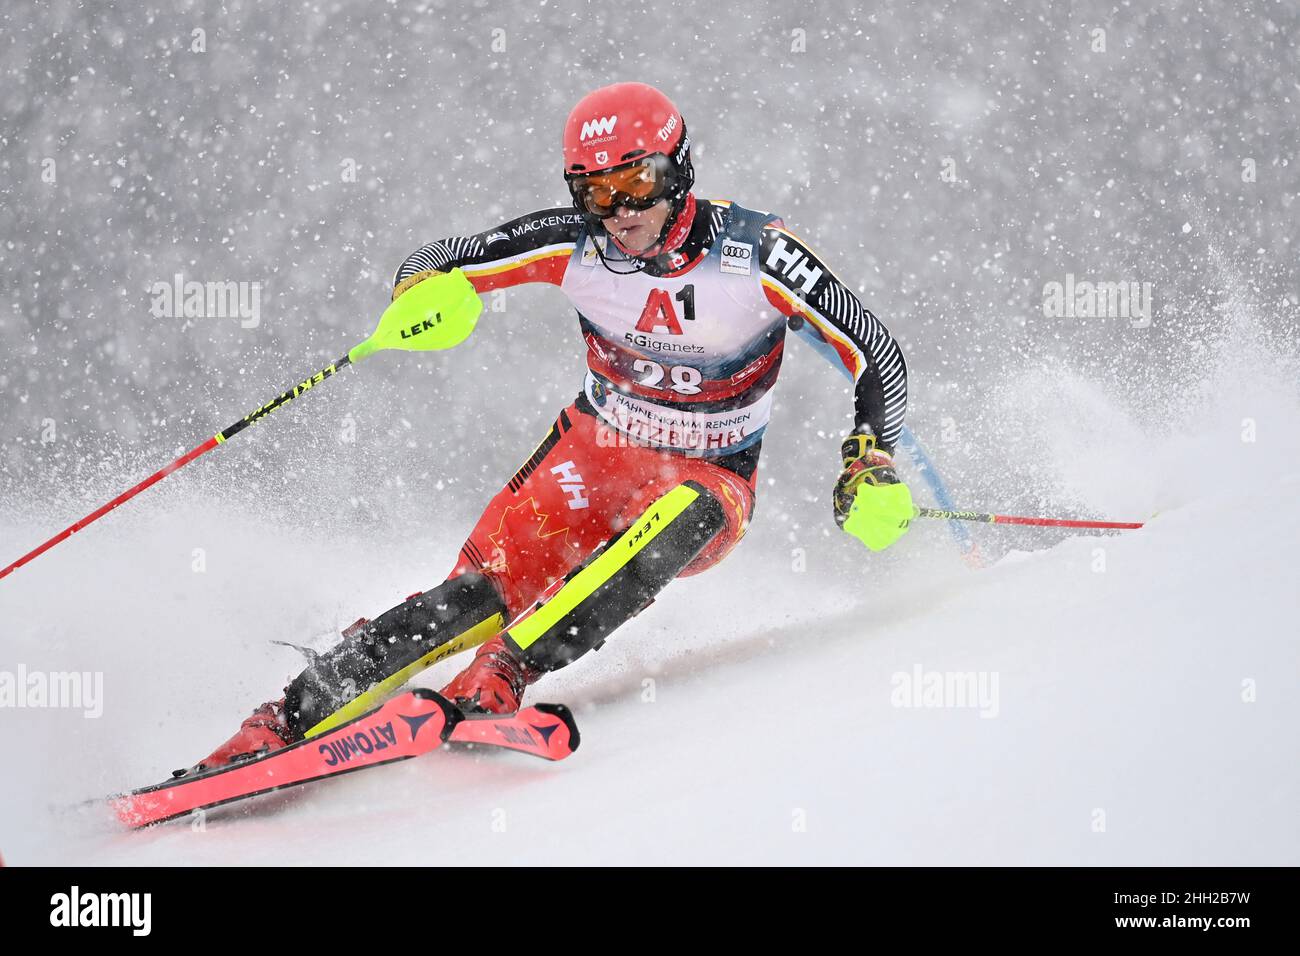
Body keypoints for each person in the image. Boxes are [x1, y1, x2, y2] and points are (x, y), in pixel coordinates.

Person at [191, 81, 913, 770]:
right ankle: (283, 720)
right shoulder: (576, 243)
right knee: (475, 597)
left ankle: (501, 676)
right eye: (594, 191)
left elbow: (872, 348)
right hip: (596, 450)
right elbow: (437, 258)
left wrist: (869, 458)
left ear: (679, 170)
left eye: (637, 183)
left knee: (678, 520)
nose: (620, 211)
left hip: (710, 474)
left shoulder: (756, 252)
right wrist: (420, 296)